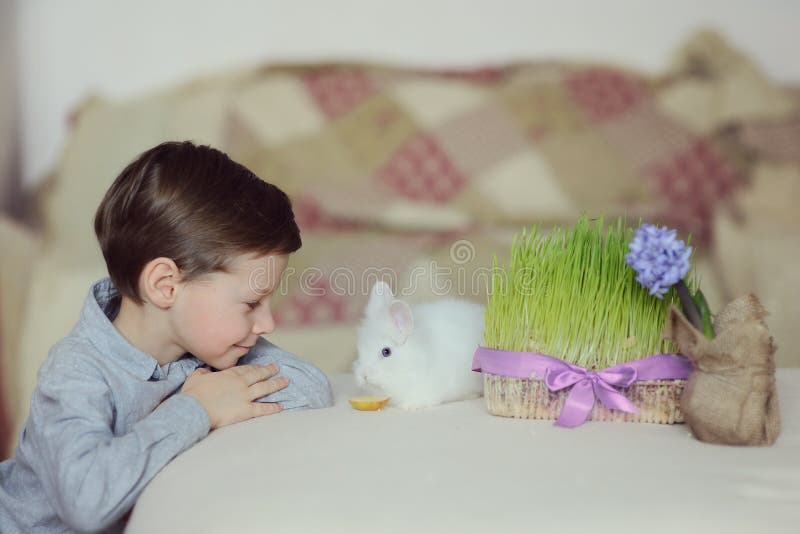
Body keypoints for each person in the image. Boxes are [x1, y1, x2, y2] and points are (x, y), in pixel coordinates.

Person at [0, 141, 333, 532]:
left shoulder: (202, 353)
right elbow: (86, 503)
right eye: (250, 303)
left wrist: (213, 396)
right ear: (166, 286)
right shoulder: (76, 371)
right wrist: (196, 410)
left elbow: (310, 388)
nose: (267, 324)